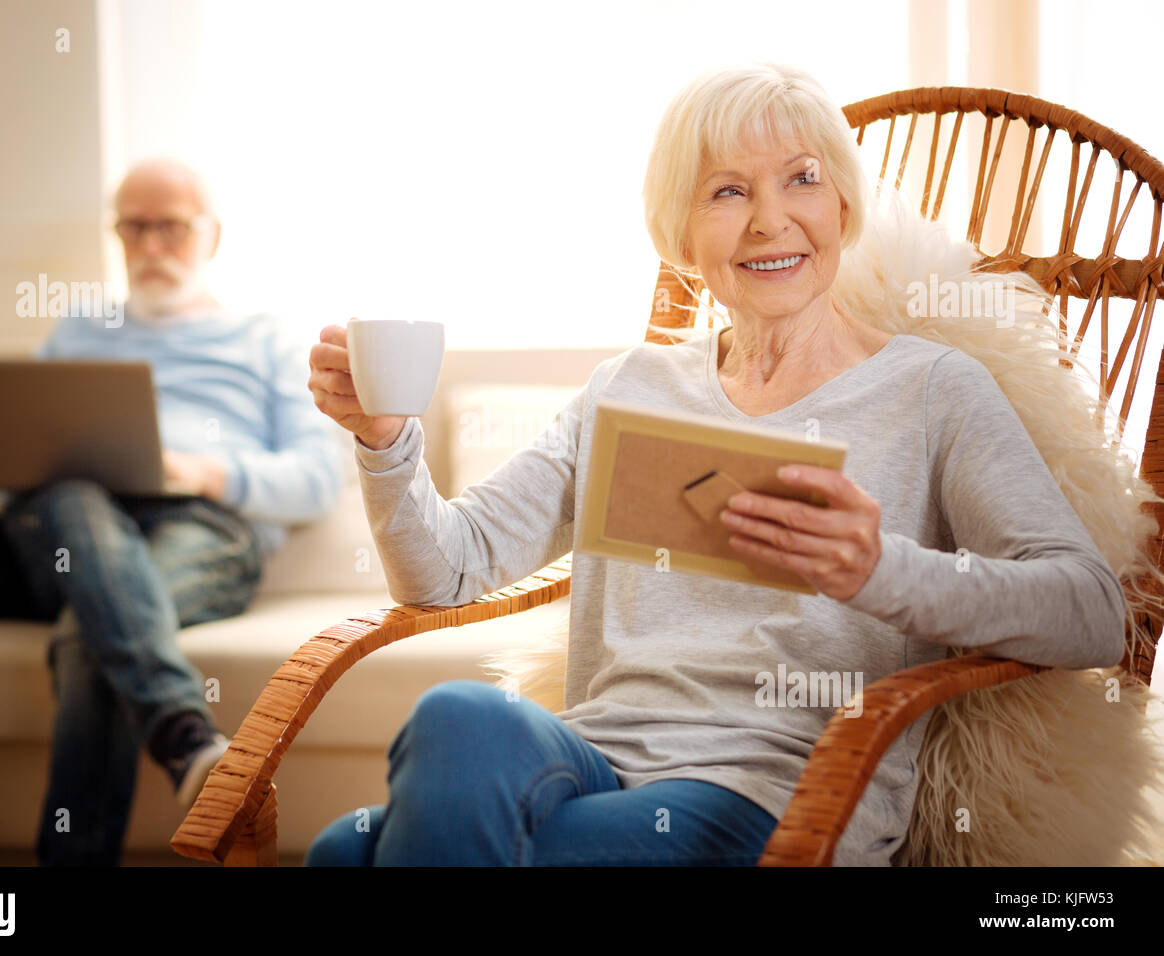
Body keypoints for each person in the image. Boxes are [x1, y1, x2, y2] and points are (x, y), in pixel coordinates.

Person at [303, 64, 1127, 866]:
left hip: (775, 795)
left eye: (802, 179)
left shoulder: (933, 388)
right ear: (680, 233)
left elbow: (1090, 610)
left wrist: (883, 572)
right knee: (459, 715)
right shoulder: (631, 387)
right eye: (728, 191)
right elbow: (447, 571)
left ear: (843, 205)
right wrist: (384, 443)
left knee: (351, 852)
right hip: (591, 763)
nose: (771, 221)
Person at [0, 158, 344, 866]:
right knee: (74, 496)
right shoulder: (77, 332)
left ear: (213, 237)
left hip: (201, 524)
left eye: (172, 228)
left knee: (89, 639)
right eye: (134, 228)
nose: (151, 247)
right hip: (71, 527)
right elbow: (10, 457)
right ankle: (186, 738)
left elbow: (316, 479)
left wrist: (203, 470)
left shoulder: (267, 337)